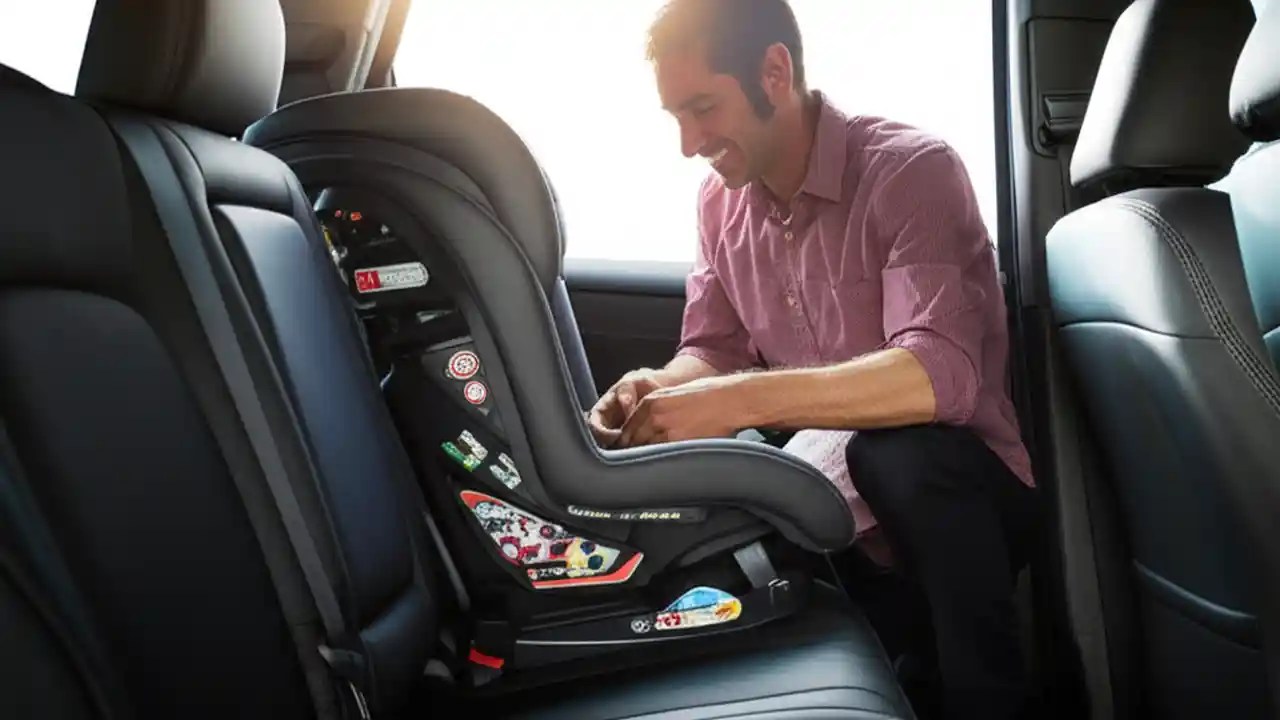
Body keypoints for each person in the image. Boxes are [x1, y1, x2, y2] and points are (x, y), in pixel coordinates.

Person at [587, 1, 1040, 718]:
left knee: (896, 457)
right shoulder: (718, 206)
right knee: (743, 476)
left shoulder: (910, 171)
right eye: (676, 116)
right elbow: (714, 349)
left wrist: (737, 403)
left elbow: (938, 375)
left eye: (702, 108)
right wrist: (662, 388)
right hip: (826, 480)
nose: (688, 142)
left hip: (963, 493)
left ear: (775, 72)